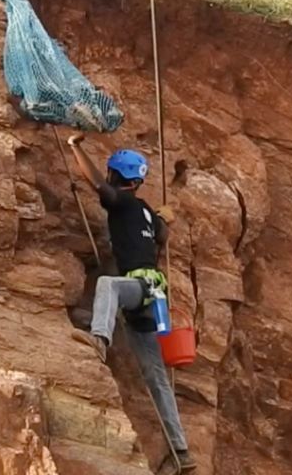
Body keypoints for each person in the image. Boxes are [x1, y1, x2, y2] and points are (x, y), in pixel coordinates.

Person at [66, 134, 197, 474]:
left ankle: (99, 340)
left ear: (117, 177)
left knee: (108, 285)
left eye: (112, 173)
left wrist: (74, 147)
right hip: (155, 300)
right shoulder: (146, 212)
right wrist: (163, 219)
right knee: (156, 376)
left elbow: (96, 184)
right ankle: (182, 451)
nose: (108, 178)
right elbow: (162, 238)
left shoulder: (123, 203)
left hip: (140, 288)